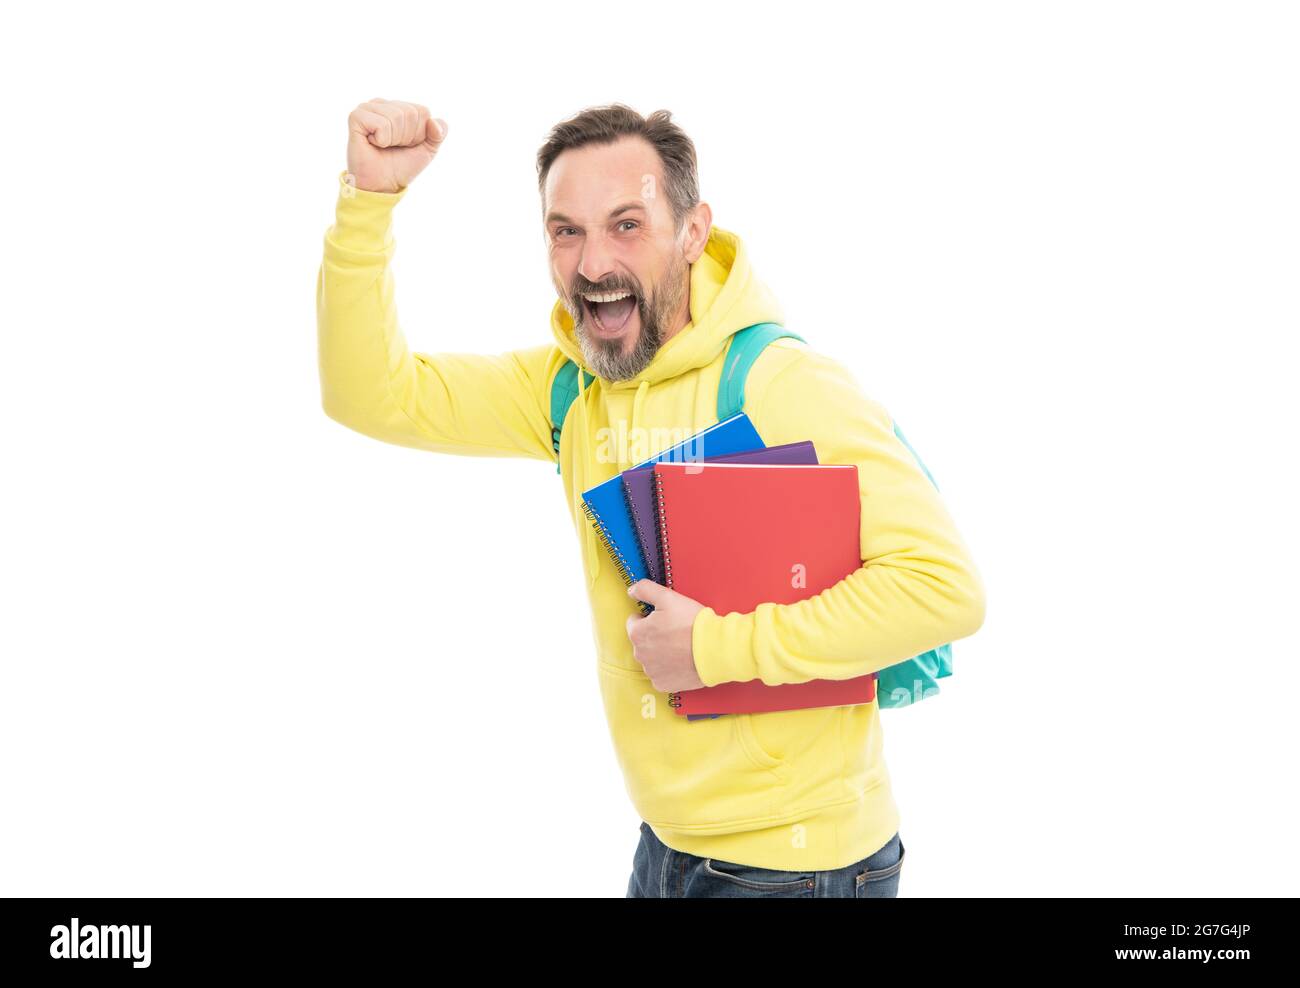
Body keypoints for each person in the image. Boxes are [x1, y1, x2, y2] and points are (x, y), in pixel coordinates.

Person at [316, 98, 986, 898]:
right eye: (566, 230)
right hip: (666, 851)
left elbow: (945, 590)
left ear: (693, 232)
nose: (594, 262)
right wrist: (368, 204)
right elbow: (369, 393)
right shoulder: (570, 393)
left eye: (626, 224)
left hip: (798, 870)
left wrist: (713, 649)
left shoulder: (779, 384)